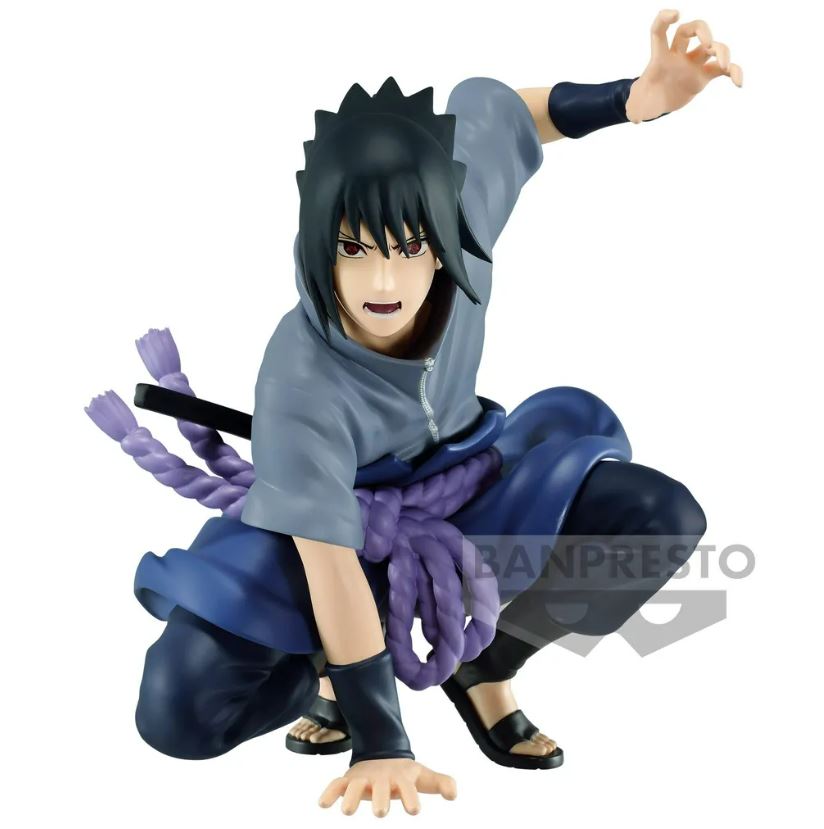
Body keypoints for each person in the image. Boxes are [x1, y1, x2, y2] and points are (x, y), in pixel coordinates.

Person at [113, 9, 740, 818]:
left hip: (466, 483)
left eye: (409, 248)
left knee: (658, 517)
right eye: (353, 247)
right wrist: (382, 740)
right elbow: (331, 565)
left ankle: (486, 664)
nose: (384, 280)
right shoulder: (298, 380)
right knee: (177, 711)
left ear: (441, 240)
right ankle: (321, 669)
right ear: (318, 244)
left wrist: (634, 97)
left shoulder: (459, 218)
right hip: (326, 530)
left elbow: (506, 110)